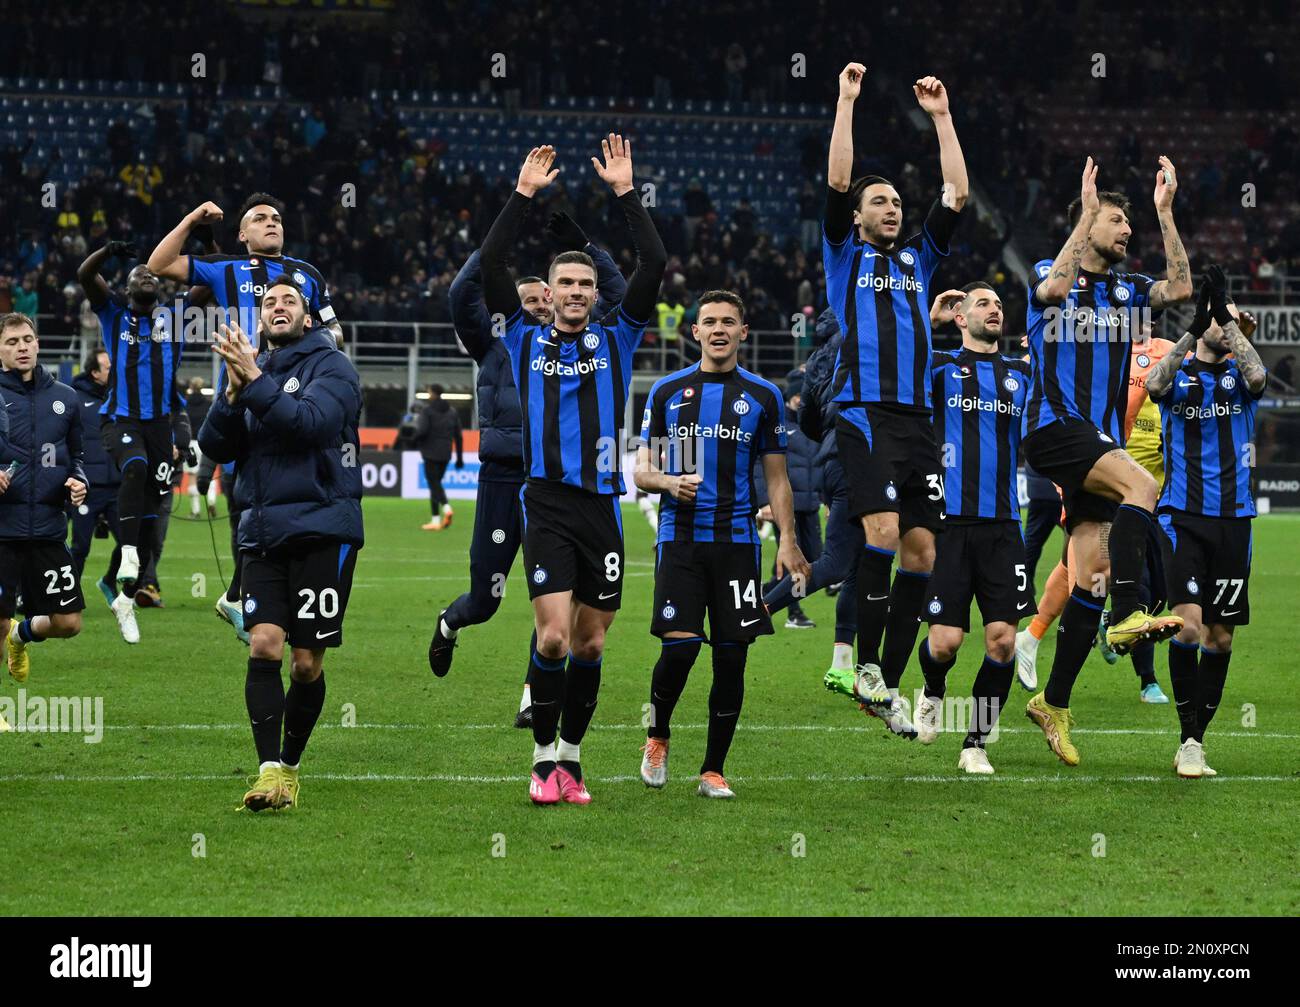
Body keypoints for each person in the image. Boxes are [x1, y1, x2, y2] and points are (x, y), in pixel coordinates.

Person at [477, 137, 666, 805]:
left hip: (602, 509)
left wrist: (625, 193)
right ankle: (540, 758)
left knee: (589, 644)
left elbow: (656, 263)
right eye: (567, 283)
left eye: (587, 283)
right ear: (547, 293)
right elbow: (492, 260)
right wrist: (523, 194)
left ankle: (573, 759)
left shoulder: (618, 337)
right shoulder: (522, 338)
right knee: (554, 635)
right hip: (549, 503)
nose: (579, 291)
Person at [1021, 157, 1193, 766]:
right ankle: (1130, 613)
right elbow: (1055, 291)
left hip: (1095, 438)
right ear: (1087, 223)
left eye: (1128, 223)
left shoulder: (1127, 294)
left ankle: (1054, 702)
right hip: (1053, 426)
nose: (1127, 231)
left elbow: (1181, 290)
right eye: (1116, 221)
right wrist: (1087, 212)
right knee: (1143, 485)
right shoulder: (1050, 271)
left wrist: (1165, 214)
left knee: (1089, 573)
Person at [429, 212, 626, 733]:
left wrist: (584, 245)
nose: (542, 303)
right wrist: (497, 246)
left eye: (548, 296)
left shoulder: (581, 349)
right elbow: (458, 297)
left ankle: (530, 697)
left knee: (554, 604)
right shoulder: (498, 347)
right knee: (486, 598)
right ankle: (451, 621)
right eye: (533, 298)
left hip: (556, 489)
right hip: (502, 479)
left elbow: (621, 295)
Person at [823, 63, 968, 730]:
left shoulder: (916, 263)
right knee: (880, 532)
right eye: (878, 202)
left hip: (917, 423)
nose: (892, 208)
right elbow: (837, 179)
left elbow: (957, 195)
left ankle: (883, 678)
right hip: (864, 413)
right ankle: (866, 666)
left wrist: (942, 118)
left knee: (923, 554)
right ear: (857, 218)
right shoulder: (845, 258)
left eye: (897, 203)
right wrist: (847, 102)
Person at [197, 277, 362, 812]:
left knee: (305, 665)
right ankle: (268, 773)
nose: (277, 306)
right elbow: (215, 444)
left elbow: (309, 425)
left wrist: (252, 383)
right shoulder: (251, 373)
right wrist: (229, 397)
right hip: (262, 532)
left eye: (290, 300)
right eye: (268, 302)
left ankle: (291, 767)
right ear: (260, 321)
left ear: (308, 317)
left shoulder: (332, 367)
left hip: (323, 530)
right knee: (264, 643)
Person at [635, 290, 809, 799]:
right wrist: (668, 484)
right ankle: (658, 735)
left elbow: (778, 481)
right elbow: (642, 470)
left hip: (737, 543)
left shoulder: (763, 395)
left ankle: (713, 769)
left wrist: (787, 541)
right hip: (682, 539)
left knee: (732, 656)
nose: (717, 329)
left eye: (727, 322)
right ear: (695, 332)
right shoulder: (668, 392)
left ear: (742, 332)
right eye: (708, 321)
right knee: (683, 646)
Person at [148, 192, 341, 641]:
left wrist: (326, 359)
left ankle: (245, 596)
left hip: (297, 399)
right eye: (259, 218)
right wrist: (194, 216)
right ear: (242, 233)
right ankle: (246, 595)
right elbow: (159, 264)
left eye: (276, 217)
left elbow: (334, 328)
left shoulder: (307, 274)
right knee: (246, 505)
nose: (271, 223)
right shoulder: (226, 269)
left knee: (295, 498)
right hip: (241, 402)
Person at [908, 285, 1034, 771]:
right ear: (961, 317)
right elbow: (895, 356)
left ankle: (974, 744)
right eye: (983, 303)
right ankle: (933, 689)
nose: (995, 308)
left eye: (999, 303)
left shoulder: (1023, 374)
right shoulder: (939, 367)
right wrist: (928, 318)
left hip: (1004, 526)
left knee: (1002, 640)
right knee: (945, 644)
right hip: (950, 526)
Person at [1147, 267, 1265, 778]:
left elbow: (1258, 375)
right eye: (1219, 313)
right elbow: (1153, 384)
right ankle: (1191, 739)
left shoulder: (1242, 377)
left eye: (1229, 314)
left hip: (1235, 522)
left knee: (1221, 639)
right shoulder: (1181, 377)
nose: (1223, 319)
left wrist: (1229, 320)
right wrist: (1197, 327)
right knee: (1190, 627)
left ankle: (1192, 739)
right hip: (1182, 517)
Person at [77, 241, 186, 645]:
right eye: (137, 273)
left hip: (160, 426)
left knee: (153, 510)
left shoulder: (175, 320)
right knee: (136, 469)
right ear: (124, 290)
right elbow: (85, 276)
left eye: (152, 273)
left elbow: (209, 281)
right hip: (121, 419)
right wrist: (108, 250)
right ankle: (126, 559)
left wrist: (204, 241)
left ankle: (114, 587)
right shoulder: (113, 314)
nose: (146, 273)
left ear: (159, 288)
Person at [0, 313, 88, 683]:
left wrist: (78, 481)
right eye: (11, 342)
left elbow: (77, 457)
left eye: (27, 339)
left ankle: (22, 635)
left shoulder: (65, 398)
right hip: (3, 529)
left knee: (68, 623)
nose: (21, 347)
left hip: (49, 529)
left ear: (37, 344)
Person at [68, 348, 124, 606]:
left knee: (129, 544)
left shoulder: (119, 396)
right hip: (87, 487)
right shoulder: (75, 399)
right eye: (107, 366)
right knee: (80, 548)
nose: (112, 370)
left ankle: (109, 581)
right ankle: (66, 594)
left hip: (116, 486)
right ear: (94, 372)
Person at [415, 384, 463, 530]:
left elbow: (422, 431)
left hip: (430, 452)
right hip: (445, 453)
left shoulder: (427, 411)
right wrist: (460, 457)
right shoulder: (452, 412)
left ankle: (446, 508)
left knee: (434, 483)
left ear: (432, 393)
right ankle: (435, 521)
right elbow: (458, 436)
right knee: (435, 485)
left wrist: (413, 438)